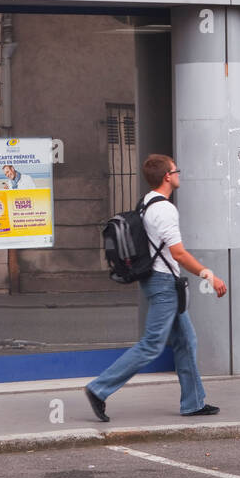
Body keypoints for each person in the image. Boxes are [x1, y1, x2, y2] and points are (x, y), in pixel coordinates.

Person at [84, 154, 227, 421]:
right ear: (167, 177)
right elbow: (179, 254)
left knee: (186, 341)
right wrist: (210, 276)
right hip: (163, 285)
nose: (178, 174)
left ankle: (193, 402)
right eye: (176, 170)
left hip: (159, 281)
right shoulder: (165, 210)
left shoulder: (146, 203)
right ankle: (99, 388)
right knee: (151, 344)